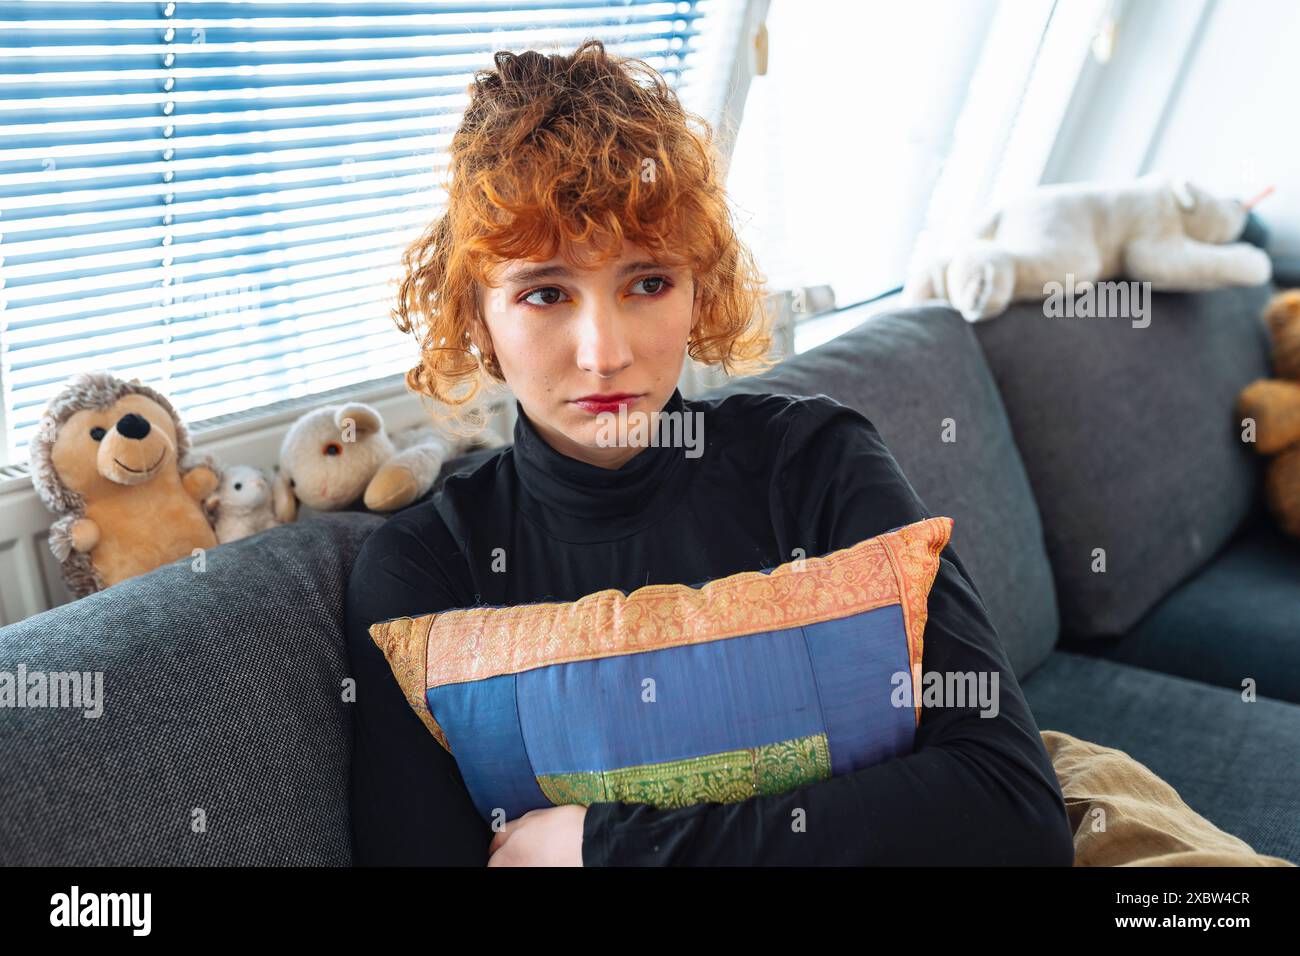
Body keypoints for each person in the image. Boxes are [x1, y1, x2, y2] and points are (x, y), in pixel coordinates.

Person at [344, 39, 1074, 866]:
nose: (604, 352)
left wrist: (605, 845)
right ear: (476, 318)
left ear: (700, 290)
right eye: (545, 293)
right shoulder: (428, 571)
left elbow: (1014, 814)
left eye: (647, 282)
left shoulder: (814, 463)